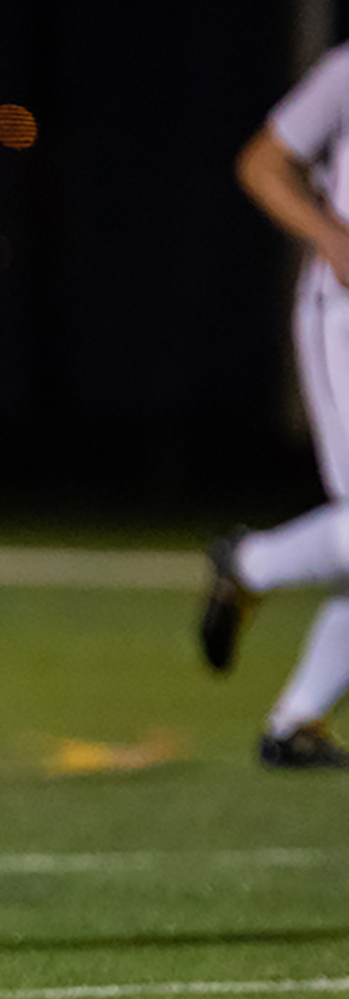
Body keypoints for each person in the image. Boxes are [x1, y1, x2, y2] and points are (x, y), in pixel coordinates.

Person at [200, 43, 349, 769]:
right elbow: (261, 162)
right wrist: (330, 236)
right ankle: (251, 562)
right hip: (343, 315)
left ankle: (295, 723)